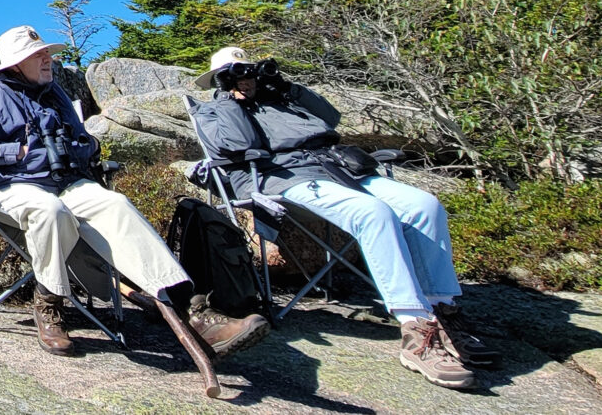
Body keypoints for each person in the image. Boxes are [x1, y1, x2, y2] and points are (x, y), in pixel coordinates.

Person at [0, 26, 269, 361]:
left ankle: (193, 310)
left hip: (67, 181)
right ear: (15, 64)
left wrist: (80, 147)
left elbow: (85, 139)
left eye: (47, 53)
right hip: (10, 186)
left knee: (116, 205)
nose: (47, 59)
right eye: (38, 55)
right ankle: (49, 305)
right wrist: (16, 153)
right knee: (49, 211)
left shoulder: (55, 93)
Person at [192, 47, 495, 390]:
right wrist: (232, 99)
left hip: (338, 169)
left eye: (248, 70)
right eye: (233, 72)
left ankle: (443, 312)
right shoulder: (214, 110)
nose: (245, 77)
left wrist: (285, 86)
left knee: (424, 206)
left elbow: (329, 120)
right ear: (218, 78)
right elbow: (237, 144)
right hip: (281, 177)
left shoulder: (281, 99)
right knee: (371, 213)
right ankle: (415, 327)